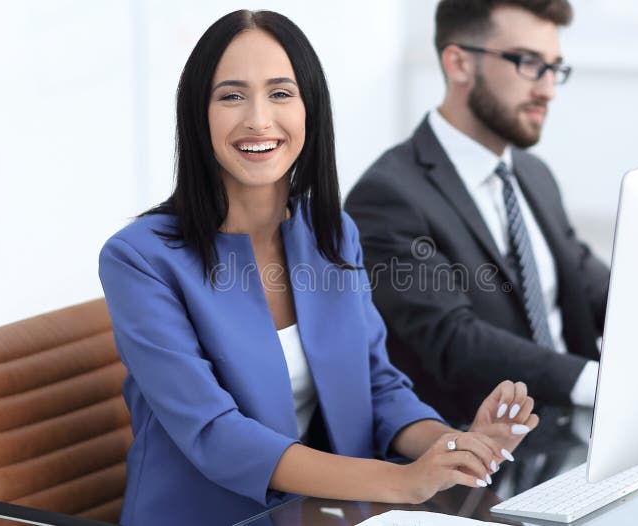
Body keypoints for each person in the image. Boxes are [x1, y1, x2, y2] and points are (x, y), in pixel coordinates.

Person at [98, 9, 538, 526]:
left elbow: (377, 385)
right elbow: (215, 435)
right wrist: (400, 480)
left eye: (281, 93)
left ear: (310, 110)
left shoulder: (330, 232)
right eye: (232, 95)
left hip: (322, 515)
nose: (259, 119)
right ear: (198, 114)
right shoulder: (139, 259)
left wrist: (455, 446)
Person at [344, 0, 609, 491]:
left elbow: (585, 279)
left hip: (574, 447)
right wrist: (596, 382)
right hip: (471, 470)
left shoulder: (532, 175)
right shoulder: (388, 194)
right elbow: (452, 338)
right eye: (529, 63)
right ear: (459, 62)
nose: (547, 89)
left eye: (555, 68)